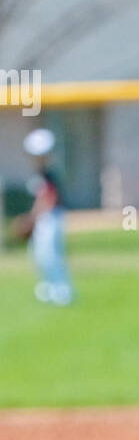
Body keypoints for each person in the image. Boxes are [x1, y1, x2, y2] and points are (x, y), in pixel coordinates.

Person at [14, 128, 74, 306]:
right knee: (39, 255)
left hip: (51, 218)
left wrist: (30, 219)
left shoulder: (48, 174)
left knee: (49, 255)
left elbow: (48, 200)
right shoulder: (41, 173)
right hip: (45, 218)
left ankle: (62, 291)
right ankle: (49, 287)